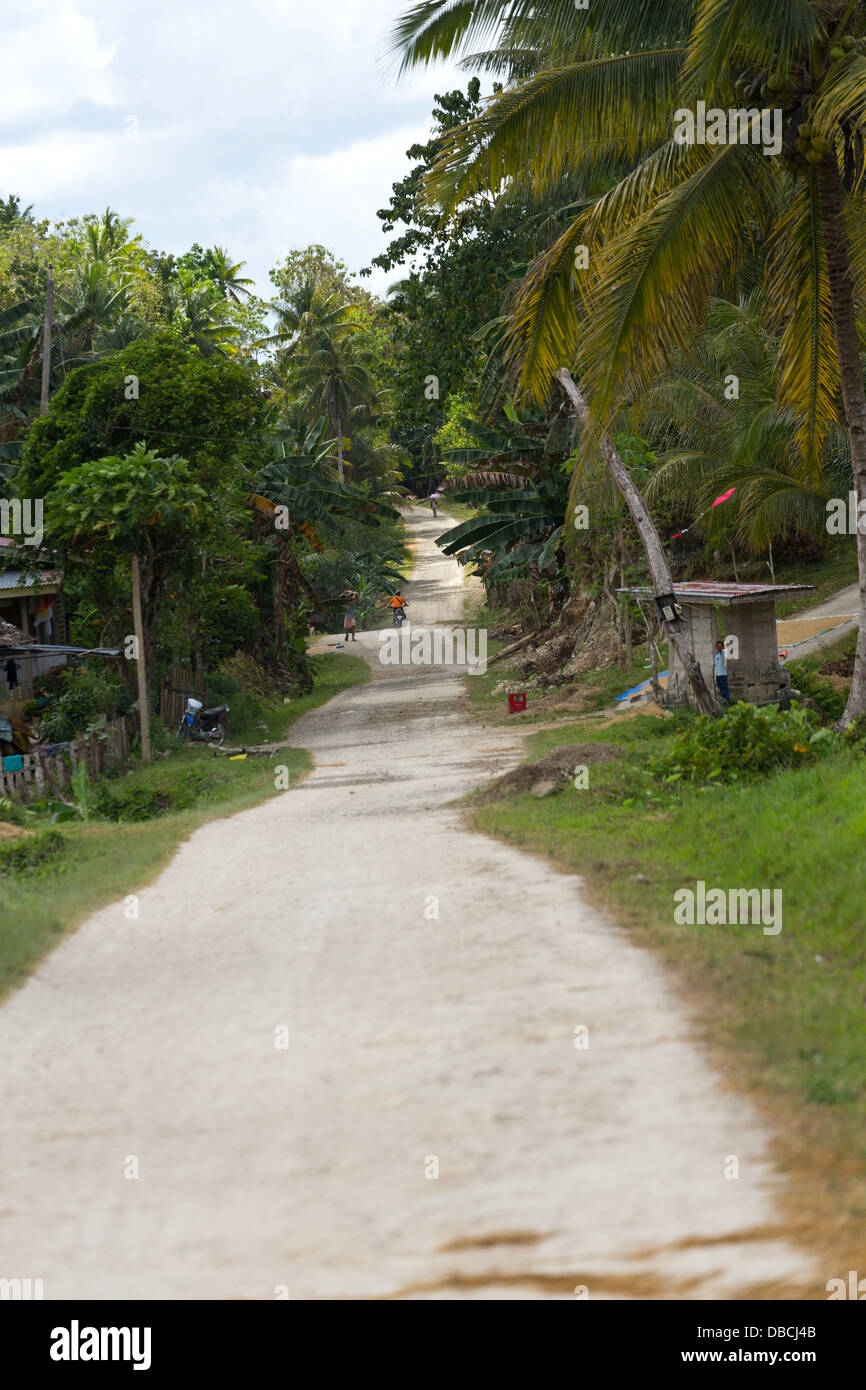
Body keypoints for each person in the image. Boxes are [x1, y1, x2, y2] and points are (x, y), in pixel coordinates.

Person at [714, 640, 730, 704]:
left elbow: (722, 650)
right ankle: (723, 698)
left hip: (723, 674)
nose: (718, 647)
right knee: (719, 686)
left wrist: (720, 649)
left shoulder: (723, 652)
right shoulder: (717, 655)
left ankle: (726, 699)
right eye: (717, 645)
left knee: (724, 687)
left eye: (720, 645)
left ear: (722, 647)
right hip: (718, 674)